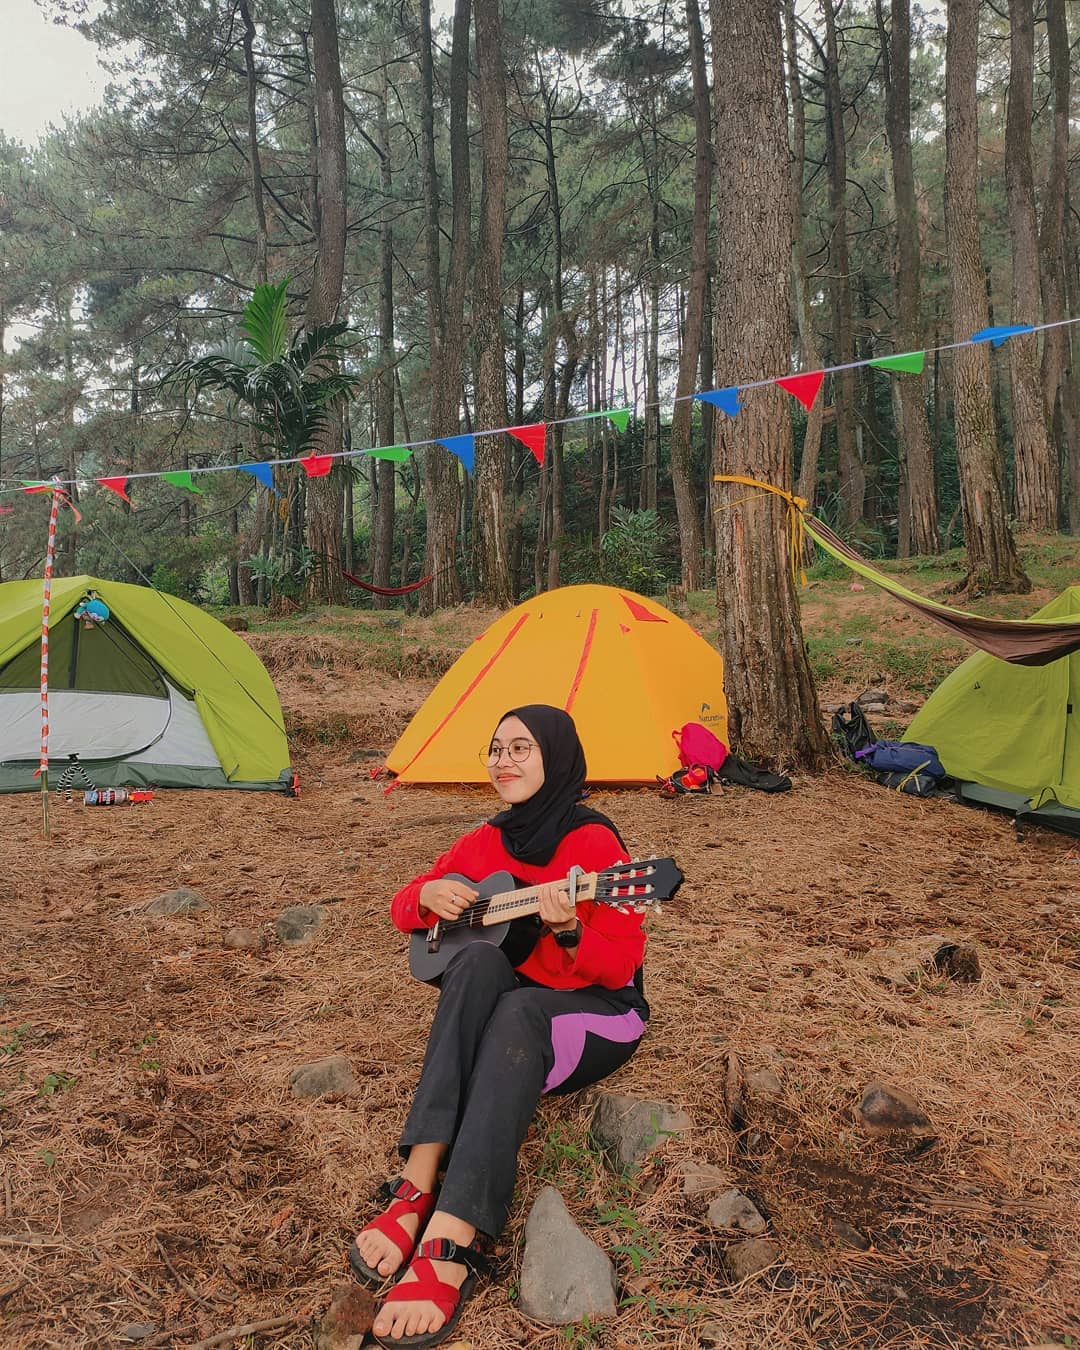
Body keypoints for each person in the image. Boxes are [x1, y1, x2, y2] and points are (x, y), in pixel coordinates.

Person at [350, 704, 649, 1349]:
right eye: (495, 748)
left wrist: (568, 929)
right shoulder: (487, 839)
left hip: (598, 1012)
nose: (502, 760)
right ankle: (418, 1181)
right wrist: (424, 896)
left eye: (520, 748)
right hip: (517, 1002)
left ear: (555, 758)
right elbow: (407, 904)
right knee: (478, 961)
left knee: (516, 1010)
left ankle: (455, 1231)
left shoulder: (596, 846)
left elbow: (621, 963)